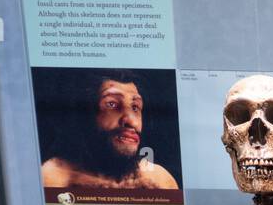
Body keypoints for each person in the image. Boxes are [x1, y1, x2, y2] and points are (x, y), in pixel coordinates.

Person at [40, 71, 179, 191]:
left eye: (135, 107)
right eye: (112, 104)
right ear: (85, 114)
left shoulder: (160, 179)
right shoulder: (52, 179)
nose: (132, 122)